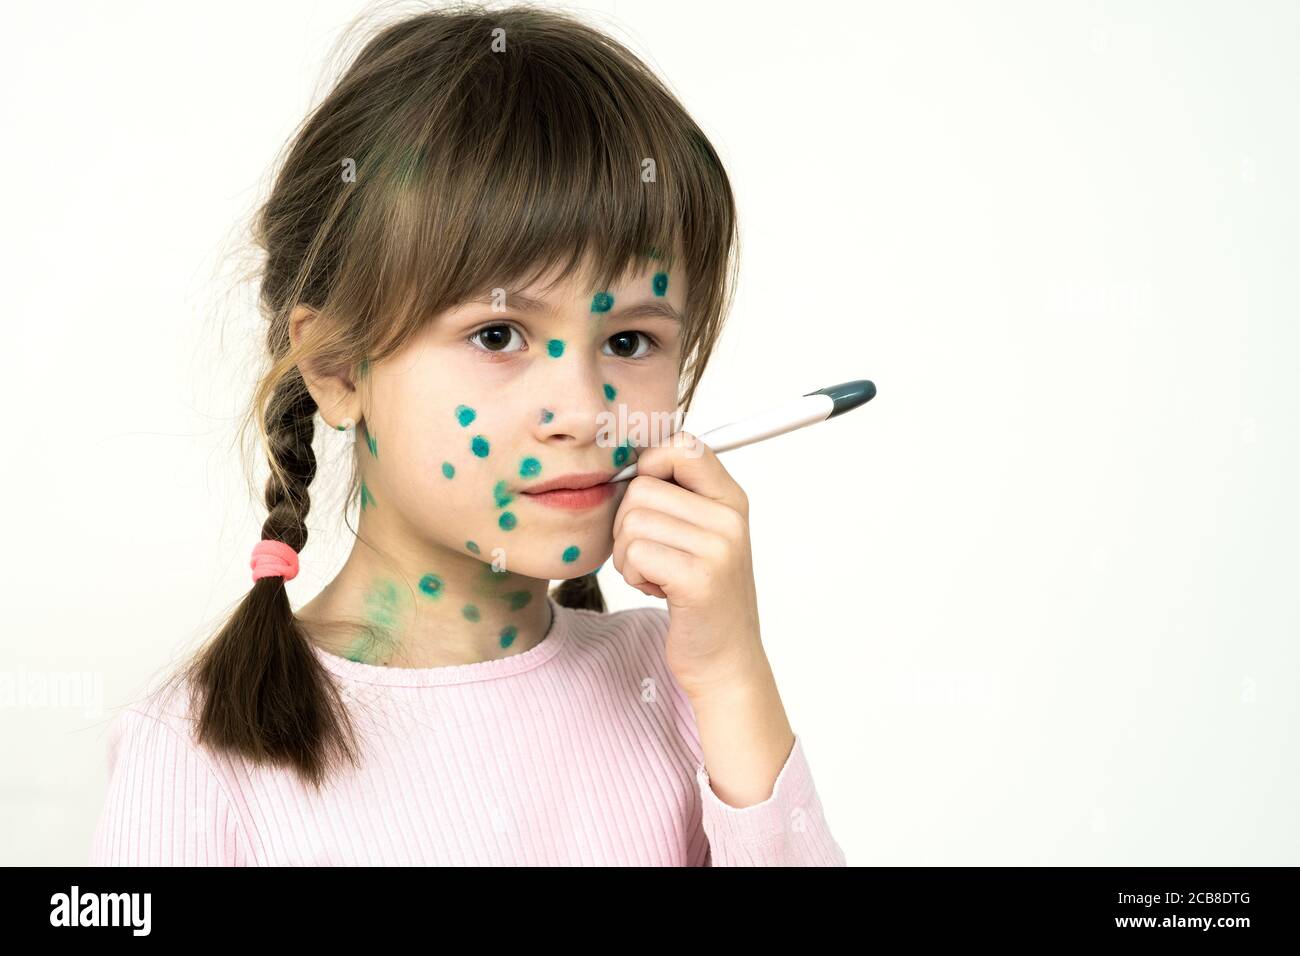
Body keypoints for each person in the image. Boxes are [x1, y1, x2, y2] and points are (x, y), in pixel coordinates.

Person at [90, 2, 846, 866]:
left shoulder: (682, 686)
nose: (586, 411)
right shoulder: (199, 750)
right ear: (338, 369)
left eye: (630, 341)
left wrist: (733, 676)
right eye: (497, 336)